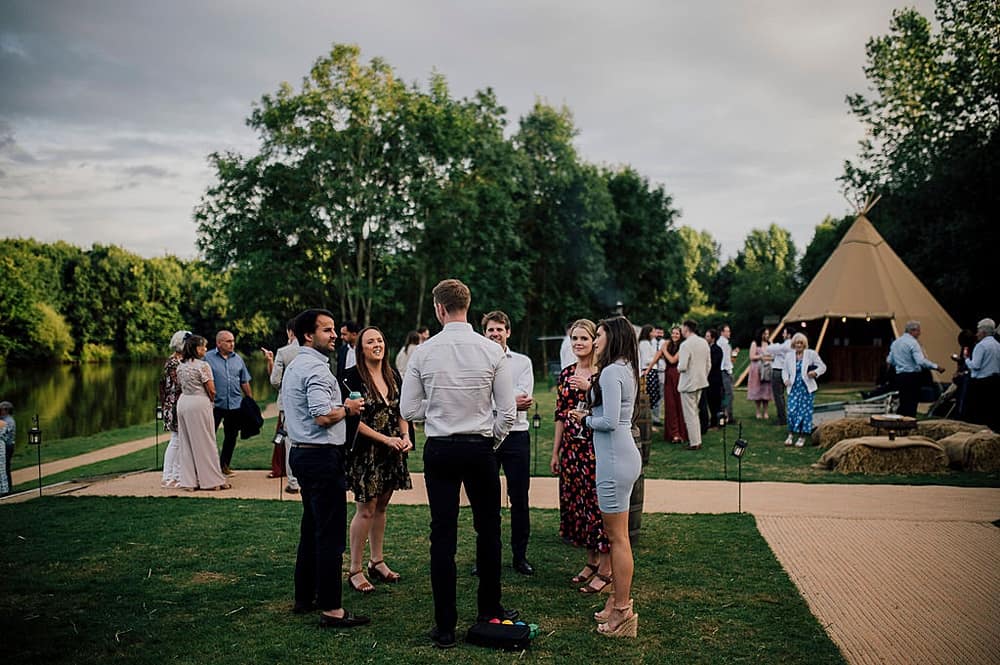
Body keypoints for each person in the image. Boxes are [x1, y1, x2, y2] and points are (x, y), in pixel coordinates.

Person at [400, 279, 517, 650]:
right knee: (489, 530)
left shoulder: (423, 352)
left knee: (442, 535)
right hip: (480, 447)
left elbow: (407, 409)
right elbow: (508, 412)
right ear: (467, 305)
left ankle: (445, 626)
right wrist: (490, 442)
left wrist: (436, 410)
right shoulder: (492, 350)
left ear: (439, 308)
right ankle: (489, 609)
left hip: (440, 449)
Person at [283, 309, 369, 629]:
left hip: (303, 454)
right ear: (309, 335)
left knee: (312, 528)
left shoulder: (297, 365)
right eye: (327, 330)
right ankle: (332, 609)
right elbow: (322, 416)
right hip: (320, 457)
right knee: (330, 534)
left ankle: (305, 596)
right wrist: (348, 408)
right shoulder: (316, 370)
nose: (335, 335)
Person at [568, 316, 641, 638]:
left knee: (617, 538)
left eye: (599, 334)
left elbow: (610, 421)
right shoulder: (625, 367)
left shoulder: (611, 372)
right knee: (617, 537)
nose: (595, 340)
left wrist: (584, 419)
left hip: (614, 459)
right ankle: (616, 601)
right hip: (622, 455)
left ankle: (623, 611)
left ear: (613, 337)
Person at [342, 326, 413, 593]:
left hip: (392, 451)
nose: (377, 345)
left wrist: (405, 436)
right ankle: (355, 569)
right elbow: (354, 421)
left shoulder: (392, 375)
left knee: (381, 507)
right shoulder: (351, 377)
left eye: (380, 340)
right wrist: (385, 439)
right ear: (361, 348)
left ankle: (377, 561)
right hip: (366, 453)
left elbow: (401, 410)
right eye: (370, 341)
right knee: (366, 509)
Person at [551, 319, 612, 594]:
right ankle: (591, 561)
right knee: (579, 507)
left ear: (594, 342)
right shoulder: (566, 374)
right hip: (572, 451)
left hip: (595, 449)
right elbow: (560, 416)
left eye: (584, 338)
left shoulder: (604, 374)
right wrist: (556, 452)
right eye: (574, 338)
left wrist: (589, 387)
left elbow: (611, 410)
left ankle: (606, 570)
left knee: (598, 508)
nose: (578, 343)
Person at [482, 311, 535, 575]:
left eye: (499, 329)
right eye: (490, 330)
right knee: (486, 500)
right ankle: (486, 558)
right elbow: (475, 399)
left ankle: (519, 556)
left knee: (519, 499)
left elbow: (524, 397)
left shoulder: (523, 362)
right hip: (486, 436)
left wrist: (493, 401)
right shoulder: (477, 361)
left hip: (517, 437)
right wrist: (507, 401)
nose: (495, 334)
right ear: (484, 333)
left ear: (508, 332)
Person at [175, 335, 231, 492]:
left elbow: (180, 386)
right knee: (206, 442)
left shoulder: (180, 366)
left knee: (186, 442)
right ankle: (211, 481)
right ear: (196, 348)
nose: (206, 349)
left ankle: (190, 482)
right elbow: (211, 390)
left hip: (184, 402)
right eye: (203, 346)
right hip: (199, 403)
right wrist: (211, 401)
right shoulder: (203, 366)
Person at [204, 330, 253, 475]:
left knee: (231, 437)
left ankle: (224, 465)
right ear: (219, 343)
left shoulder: (238, 359)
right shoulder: (207, 358)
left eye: (233, 341)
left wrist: (250, 400)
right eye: (228, 341)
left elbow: (244, 381)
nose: (232, 344)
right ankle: (207, 468)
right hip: (214, 405)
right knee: (209, 436)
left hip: (235, 405)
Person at [266, 319, 300, 493]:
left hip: (288, 403)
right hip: (310, 402)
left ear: (290, 332)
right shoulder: (316, 351)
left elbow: (274, 380)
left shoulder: (284, 352)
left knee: (290, 441)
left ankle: (293, 482)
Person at [887, 321, 945, 417]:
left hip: (900, 376)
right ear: (912, 331)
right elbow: (920, 361)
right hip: (912, 376)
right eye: (918, 331)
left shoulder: (896, 343)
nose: (919, 333)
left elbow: (890, 360)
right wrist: (936, 367)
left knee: (903, 402)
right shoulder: (913, 343)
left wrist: (901, 363)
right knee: (911, 403)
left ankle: (901, 421)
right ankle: (910, 421)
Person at [781, 333, 827, 447]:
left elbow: (822, 366)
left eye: (801, 343)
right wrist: (785, 379)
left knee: (805, 413)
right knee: (791, 411)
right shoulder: (789, 356)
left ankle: (802, 437)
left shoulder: (811, 354)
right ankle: (790, 435)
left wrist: (815, 372)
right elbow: (784, 370)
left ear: (804, 344)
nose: (799, 345)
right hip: (793, 388)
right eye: (797, 343)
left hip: (807, 389)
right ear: (794, 344)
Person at [159, 330, 190, 487]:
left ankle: (177, 474)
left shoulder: (182, 361)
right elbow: (178, 383)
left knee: (180, 440)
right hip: (174, 404)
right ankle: (168, 475)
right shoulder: (173, 362)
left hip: (179, 402)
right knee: (176, 440)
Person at [647, 326, 688, 444]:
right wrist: (648, 369)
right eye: (673, 333)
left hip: (679, 375)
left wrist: (664, 350)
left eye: (677, 333)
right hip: (668, 376)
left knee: (679, 404)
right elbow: (657, 355)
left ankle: (681, 432)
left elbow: (673, 360)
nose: (674, 335)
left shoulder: (682, 346)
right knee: (670, 405)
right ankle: (674, 434)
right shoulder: (667, 344)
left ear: (680, 335)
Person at [677, 320, 711, 451]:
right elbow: (708, 364)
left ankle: (694, 442)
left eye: (682, 328)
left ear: (686, 328)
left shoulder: (685, 345)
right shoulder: (704, 342)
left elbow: (682, 366)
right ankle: (697, 439)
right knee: (695, 412)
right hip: (701, 381)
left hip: (688, 383)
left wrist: (678, 368)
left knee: (690, 414)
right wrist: (703, 375)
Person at [963, 318, 1000, 431]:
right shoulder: (997, 345)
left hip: (980, 383)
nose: (977, 334)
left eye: (978, 331)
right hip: (995, 381)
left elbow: (976, 365)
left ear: (983, 332)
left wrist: (966, 359)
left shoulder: (981, 345)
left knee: (977, 412)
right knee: (991, 412)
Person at [637, 325, 661, 426]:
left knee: (654, 395)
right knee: (650, 396)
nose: (655, 333)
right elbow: (646, 360)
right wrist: (657, 357)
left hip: (652, 370)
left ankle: (653, 419)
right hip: (648, 371)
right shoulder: (644, 343)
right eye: (653, 331)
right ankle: (650, 420)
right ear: (648, 333)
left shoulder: (650, 343)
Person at [769, 328, 793, 425]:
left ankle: (782, 418)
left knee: (778, 396)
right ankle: (787, 417)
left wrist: (771, 344)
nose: (783, 334)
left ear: (789, 335)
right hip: (788, 371)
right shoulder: (793, 345)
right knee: (784, 395)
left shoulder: (785, 345)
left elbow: (771, 350)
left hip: (778, 370)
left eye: (784, 333)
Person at [747, 328, 772, 420]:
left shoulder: (769, 343)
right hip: (757, 369)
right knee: (758, 389)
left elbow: (773, 355)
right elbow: (751, 356)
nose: (767, 336)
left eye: (768, 334)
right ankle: (758, 411)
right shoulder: (755, 343)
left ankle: (765, 411)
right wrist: (761, 356)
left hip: (767, 369)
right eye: (765, 334)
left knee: (766, 390)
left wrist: (768, 358)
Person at [704, 329, 724, 426]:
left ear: (713, 338)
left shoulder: (717, 350)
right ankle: (713, 420)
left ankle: (716, 422)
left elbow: (713, 364)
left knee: (715, 401)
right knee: (710, 401)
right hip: (709, 379)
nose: (705, 338)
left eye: (708, 336)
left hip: (714, 379)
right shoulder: (708, 349)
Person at [717, 324, 736, 422]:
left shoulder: (723, 343)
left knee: (725, 395)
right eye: (727, 331)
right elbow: (725, 359)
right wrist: (729, 371)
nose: (729, 333)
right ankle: (728, 416)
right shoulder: (723, 343)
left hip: (724, 370)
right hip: (725, 371)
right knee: (729, 395)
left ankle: (724, 415)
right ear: (722, 332)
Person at [0, 400, 13, 495]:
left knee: (4, 468)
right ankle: (5, 488)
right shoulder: (4, 421)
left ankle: (6, 489)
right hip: (4, 445)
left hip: (6, 446)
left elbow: (6, 435)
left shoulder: (7, 421)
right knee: (4, 468)